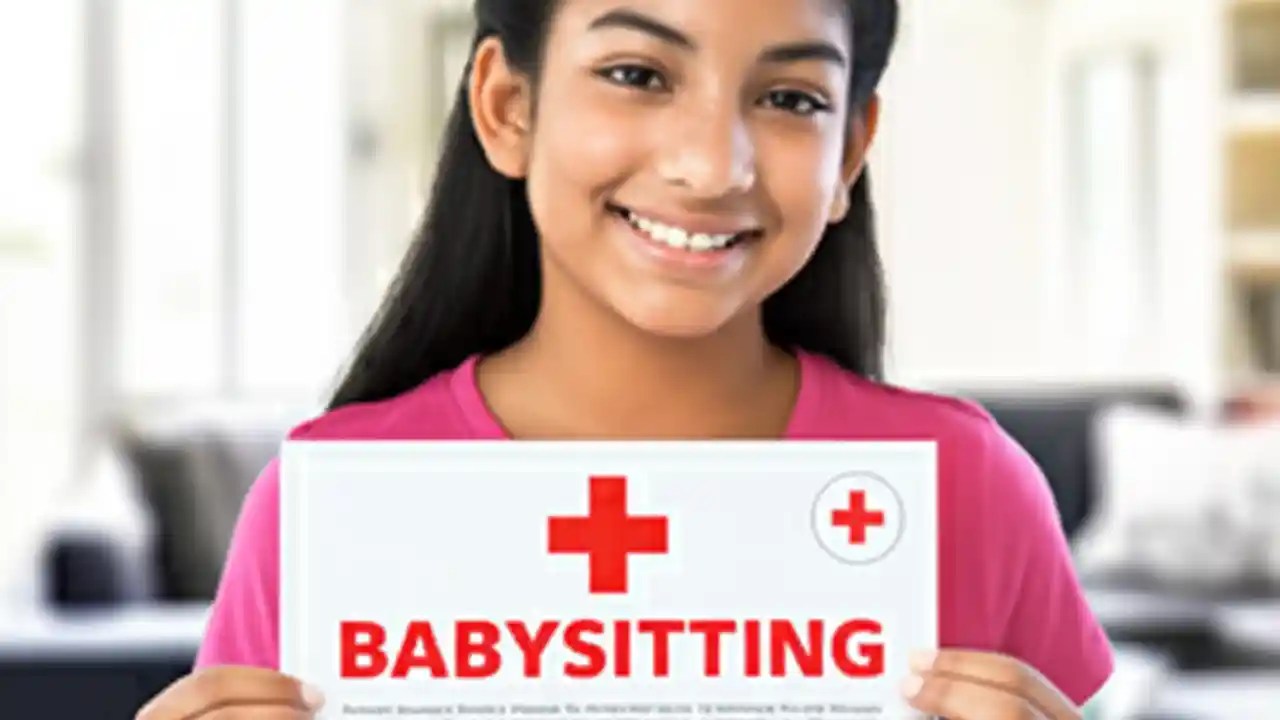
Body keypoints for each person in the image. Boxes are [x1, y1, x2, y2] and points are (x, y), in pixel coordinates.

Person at [136, 1, 1114, 718]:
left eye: (789, 97)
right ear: (507, 107)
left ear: (850, 153)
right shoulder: (331, 502)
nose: (712, 165)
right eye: (638, 75)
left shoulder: (966, 488)